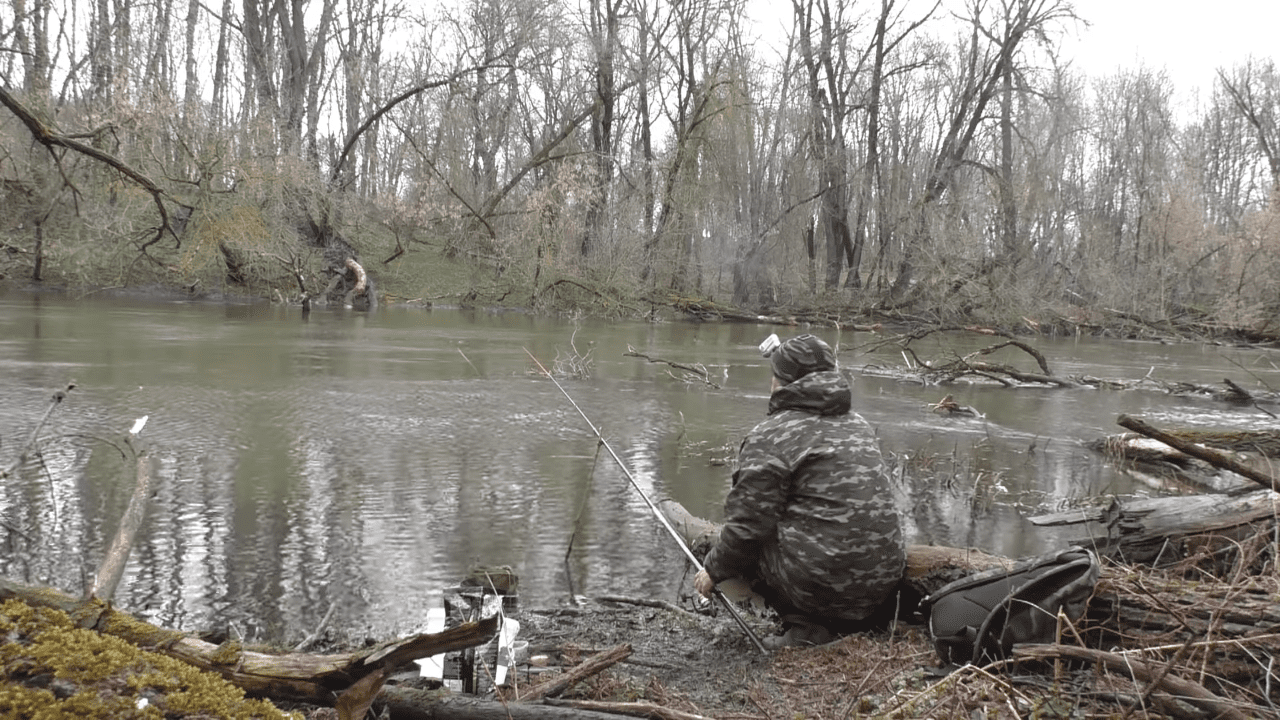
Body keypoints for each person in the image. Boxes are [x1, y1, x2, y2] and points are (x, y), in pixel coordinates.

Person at [693, 334, 905, 649]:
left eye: (774, 375)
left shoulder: (772, 434)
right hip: (882, 590)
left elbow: (747, 525)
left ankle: (805, 626)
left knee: (751, 536)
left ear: (783, 382)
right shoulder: (858, 423)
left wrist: (711, 570)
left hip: (825, 593)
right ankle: (852, 619)